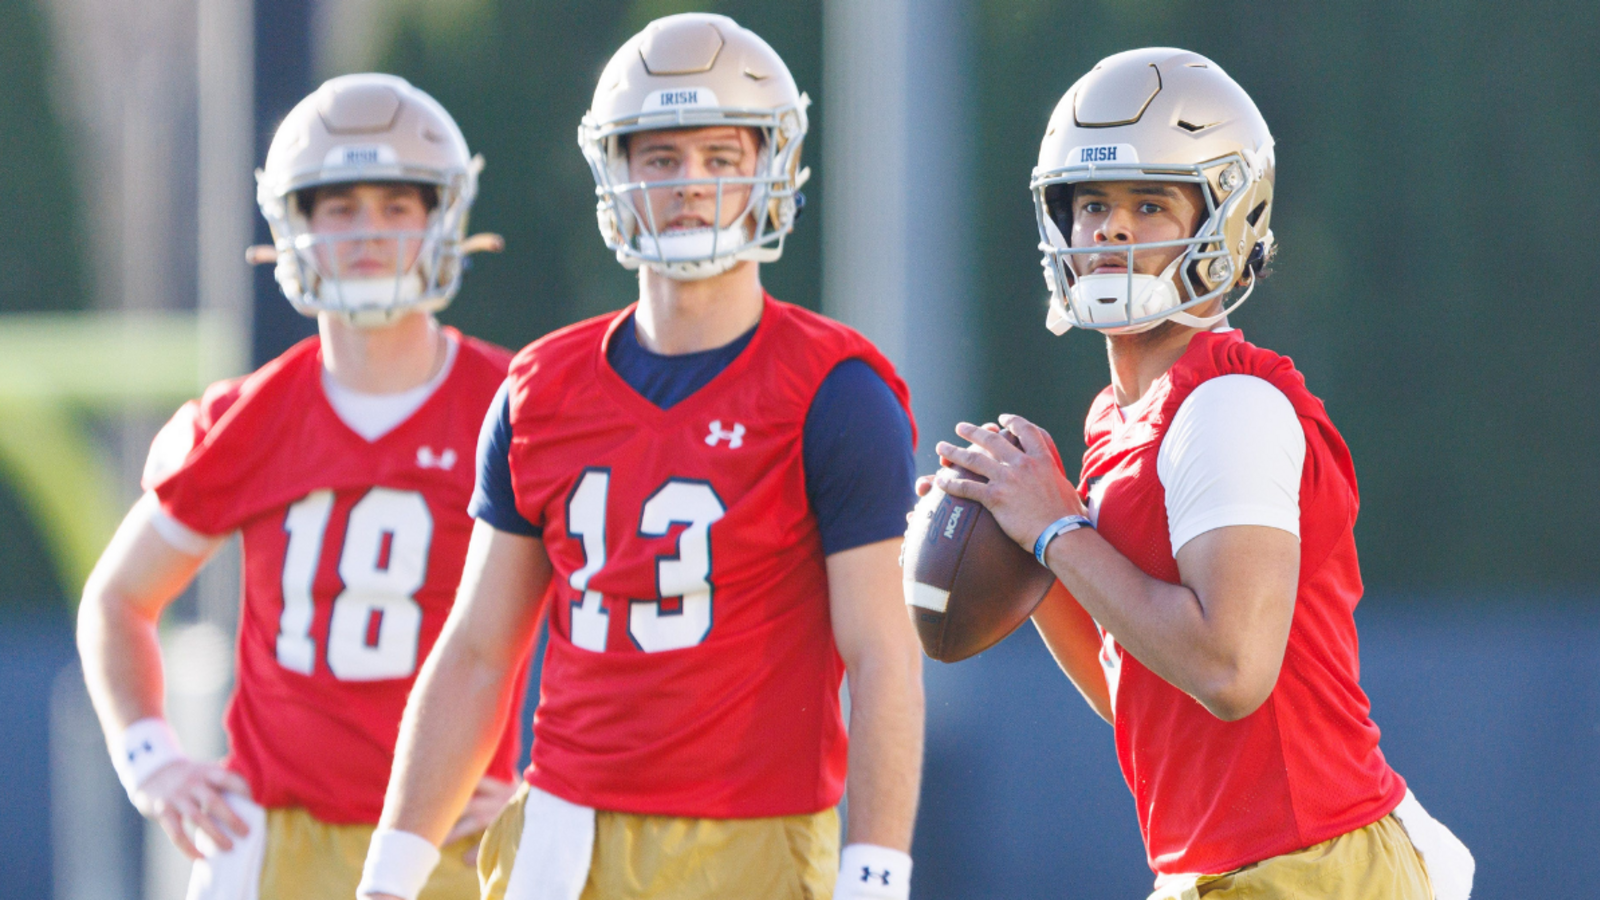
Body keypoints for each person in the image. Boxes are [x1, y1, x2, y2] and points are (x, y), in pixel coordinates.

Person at [357, 14, 924, 900]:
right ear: (614, 171)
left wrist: (878, 872)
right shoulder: (538, 389)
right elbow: (476, 651)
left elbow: (882, 653)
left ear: (770, 169)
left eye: (721, 156)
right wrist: (390, 874)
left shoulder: (834, 392)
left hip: (754, 838)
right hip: (562, 835)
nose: (690, 184)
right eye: (660, 158)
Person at [928, 48, 1475, 900]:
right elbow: (1142, 689)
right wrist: (1023, 553)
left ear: (1227, 218)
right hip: (1226, 868)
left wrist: (1057, 531)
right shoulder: (1118, 419)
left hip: (1305, 862)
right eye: (1094, 204)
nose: (1110, 229)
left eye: (1149, 202)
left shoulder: (1228, 405)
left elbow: (1227, 670)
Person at [76, 73, 525, 900]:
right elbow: (116, 601)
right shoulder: (249, 417)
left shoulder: (516, 407)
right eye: (340, 207)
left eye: (396, 207)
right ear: (295, 224)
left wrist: (549, 783)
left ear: (441, 218)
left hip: (451, 833)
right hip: (277, 834)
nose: (368, 234)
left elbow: (605, 613)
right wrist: (151, 764)